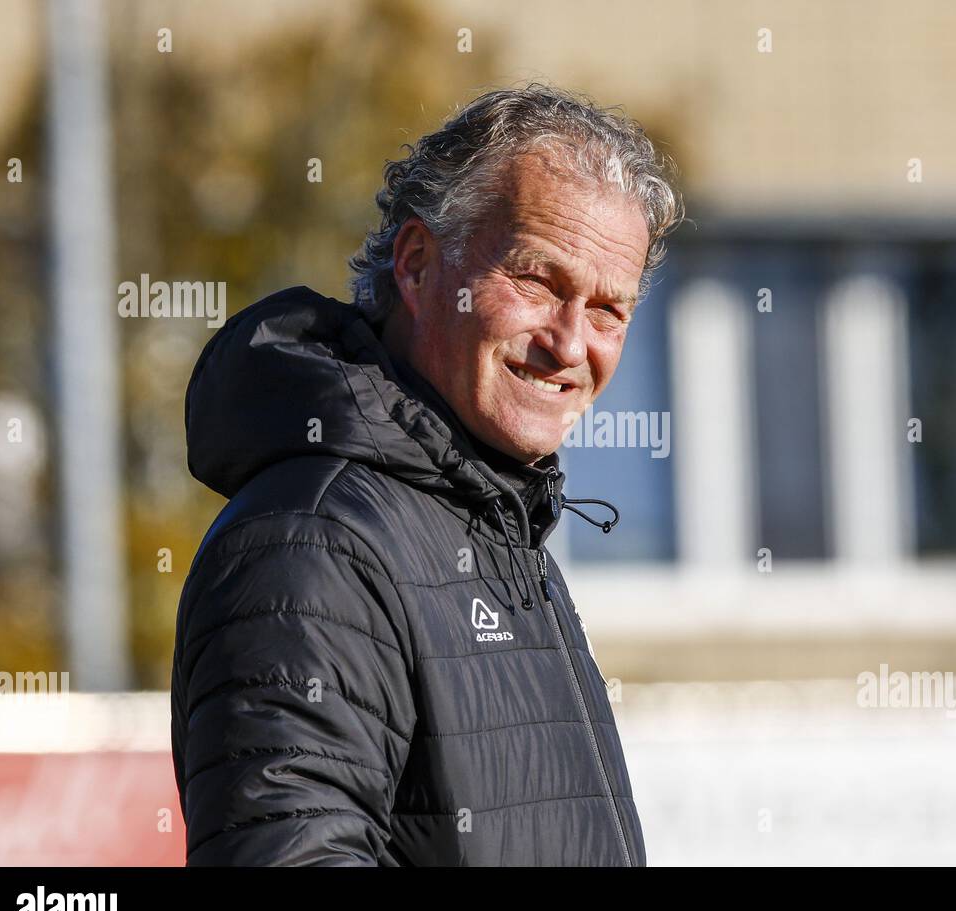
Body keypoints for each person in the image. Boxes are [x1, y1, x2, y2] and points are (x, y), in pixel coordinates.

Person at [169, 83, 684, 865]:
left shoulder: (496, 529)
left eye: (610, 310)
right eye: (539, 282)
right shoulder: (315, 543)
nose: (571, 344)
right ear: (415, 264)